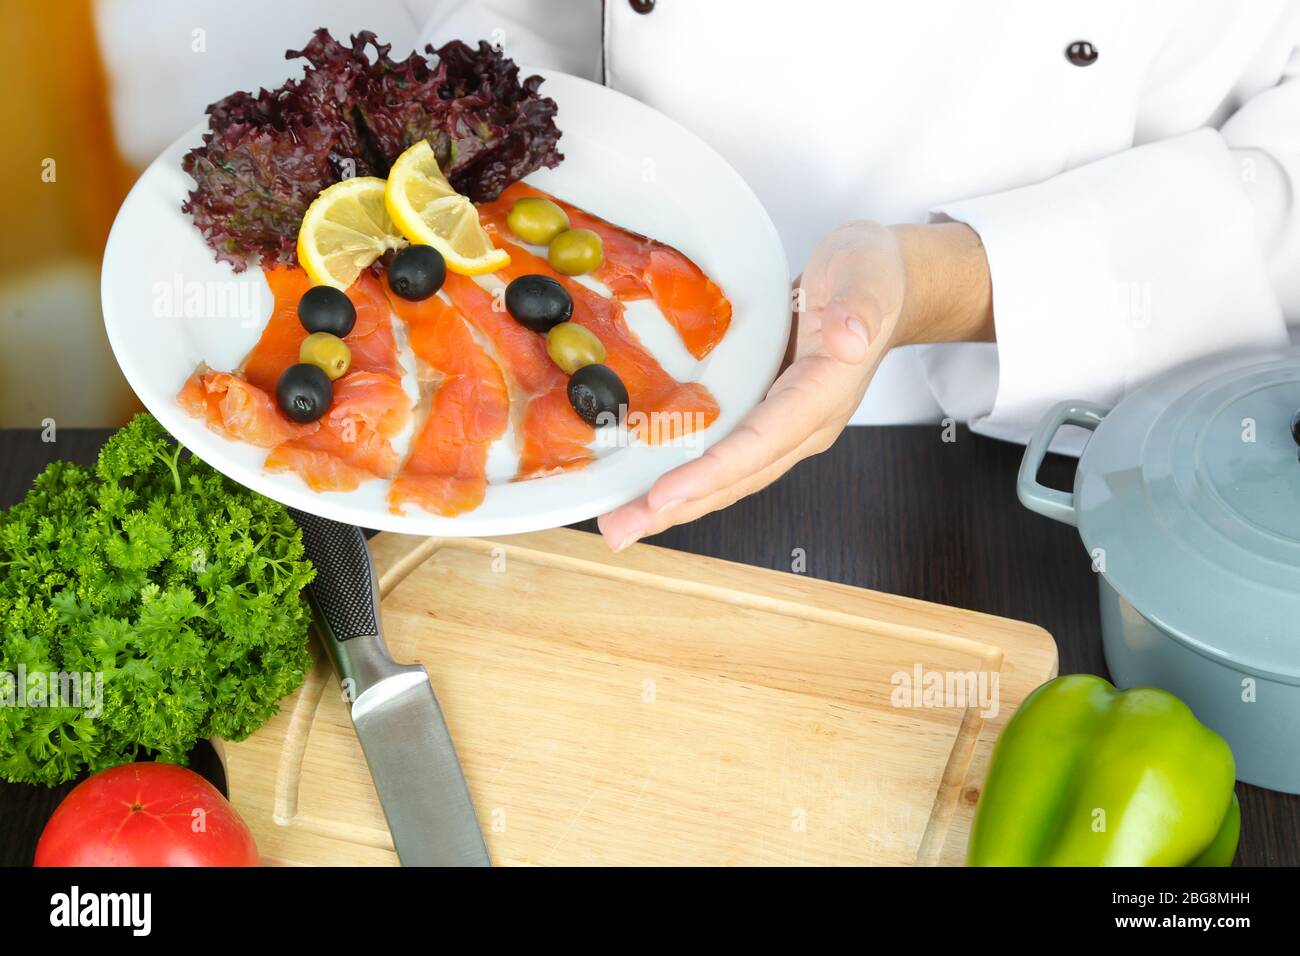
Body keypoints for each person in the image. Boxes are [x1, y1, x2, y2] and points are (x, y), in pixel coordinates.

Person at [94, 0, 1300, 548]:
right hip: (586, 481)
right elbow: (517, 35)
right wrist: (488, 148)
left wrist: (953, 278)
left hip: (1077, 474)